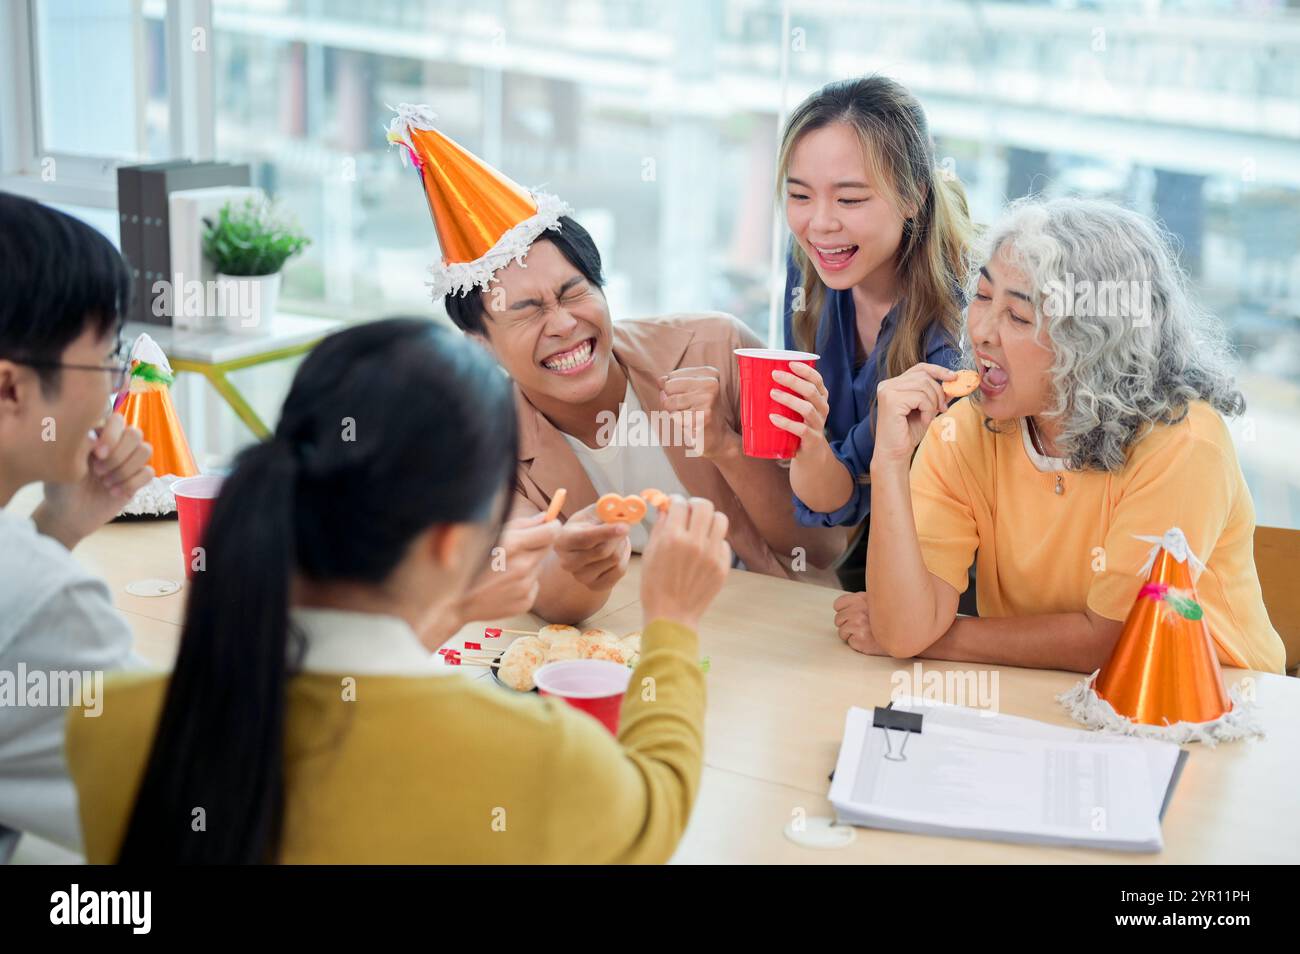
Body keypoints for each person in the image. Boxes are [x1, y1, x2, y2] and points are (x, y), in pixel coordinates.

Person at [66, 319, 734, 863]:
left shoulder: (107, 723)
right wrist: (672, 621)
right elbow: (657, 809)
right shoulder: (542, 759)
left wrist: (451, 604)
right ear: (449, 544)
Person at [385, 104, 845, 626]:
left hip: (775, 629)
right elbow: (546, 598)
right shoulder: (488, 447)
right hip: (620, 647)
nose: (562, 324)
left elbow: (821, 545)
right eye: (527, 311)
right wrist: (576, 562)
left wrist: (725, 446)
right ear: (481, 344)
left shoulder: (717, 348)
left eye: (573, 291)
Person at [837, 196, 1285, 675]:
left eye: (1019, 317)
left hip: (1216, 699)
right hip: (1046, 696)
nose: (983, 332)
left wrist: (941, 638)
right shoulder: (962, 433)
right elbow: (904, 629)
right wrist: (888, 462)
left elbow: (1115, 642)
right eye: (984, 297)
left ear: (1091, 344)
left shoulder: (1184, 444)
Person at [766, 76, 974, 590]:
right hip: (860, 538)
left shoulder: (961, 331)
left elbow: (858, 489)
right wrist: (808, 443)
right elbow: (832, 494)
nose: (819, 224)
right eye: (799, 195)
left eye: (850, 200)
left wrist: (816, 453)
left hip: (949, 566)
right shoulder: (810, 270)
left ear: (913, 197)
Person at [0, 192, 154, 851]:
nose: (115, 386)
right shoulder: (44, 598)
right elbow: (194, 789)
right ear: (11, 388)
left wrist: (56, 529)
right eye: (104, 358)